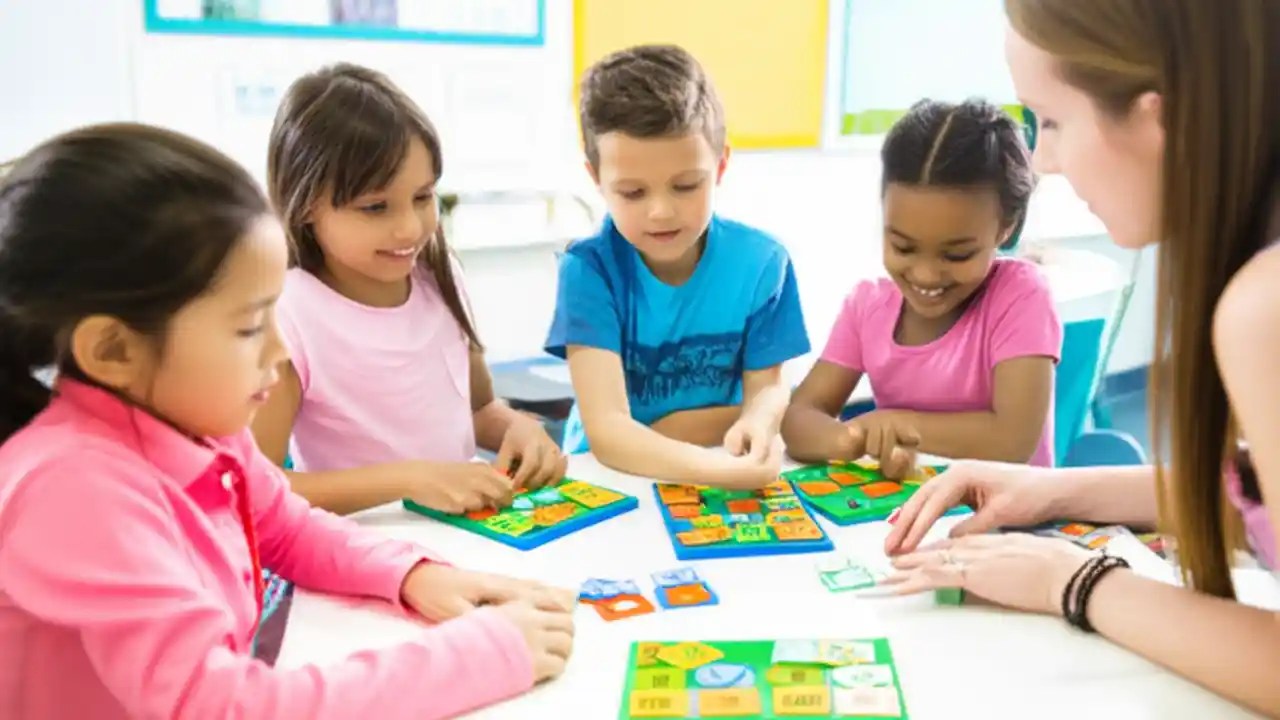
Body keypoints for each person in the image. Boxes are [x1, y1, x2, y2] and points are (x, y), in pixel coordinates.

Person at [0, 124, 574, 719]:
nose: (279, 348)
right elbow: (220, 707)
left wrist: (413, 576)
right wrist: (479, 657)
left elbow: (285, 526)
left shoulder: (192, 424)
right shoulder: (73, 489)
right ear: (114, 350)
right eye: (249, 326)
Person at [882, 1, 1280, 714]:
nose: (1042, 161)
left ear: (1160, 116)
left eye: (1052, 121)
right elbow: (1257, 501)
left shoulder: (1264, 308)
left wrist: (1077, 582)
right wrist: (1049, 492)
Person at [251, 64, 566, 517]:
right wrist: (409, 481)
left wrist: (519, 429)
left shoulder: (439, 274)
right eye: (376, 207)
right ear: (304, 206)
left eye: (423, 197)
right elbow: (259, 487)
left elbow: (478, 411)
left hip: (467, 539)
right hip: (358, 551)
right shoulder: (290, 313)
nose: (410, 228)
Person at [544, 44, 811, 488]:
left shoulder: (764, 264)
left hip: (719, 458)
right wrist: (721, 470)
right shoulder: (589, 270)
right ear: (596, 178)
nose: (661, 212)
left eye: (686, 186)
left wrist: (760, 421)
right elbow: (609, 431)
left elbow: (768, 386)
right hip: (612, 479)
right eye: (633, 193)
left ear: (721, 164)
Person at [781, 98, 1060, 478]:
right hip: (906, 519)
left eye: (957, 254)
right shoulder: (867, 306)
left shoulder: (1022, 295)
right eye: (903, 247)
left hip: (1009, 524)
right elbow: (798, 417)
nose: (926, 275)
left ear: (1005, 227)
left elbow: (1011, 441)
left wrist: (890, 422)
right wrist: (851, 439)